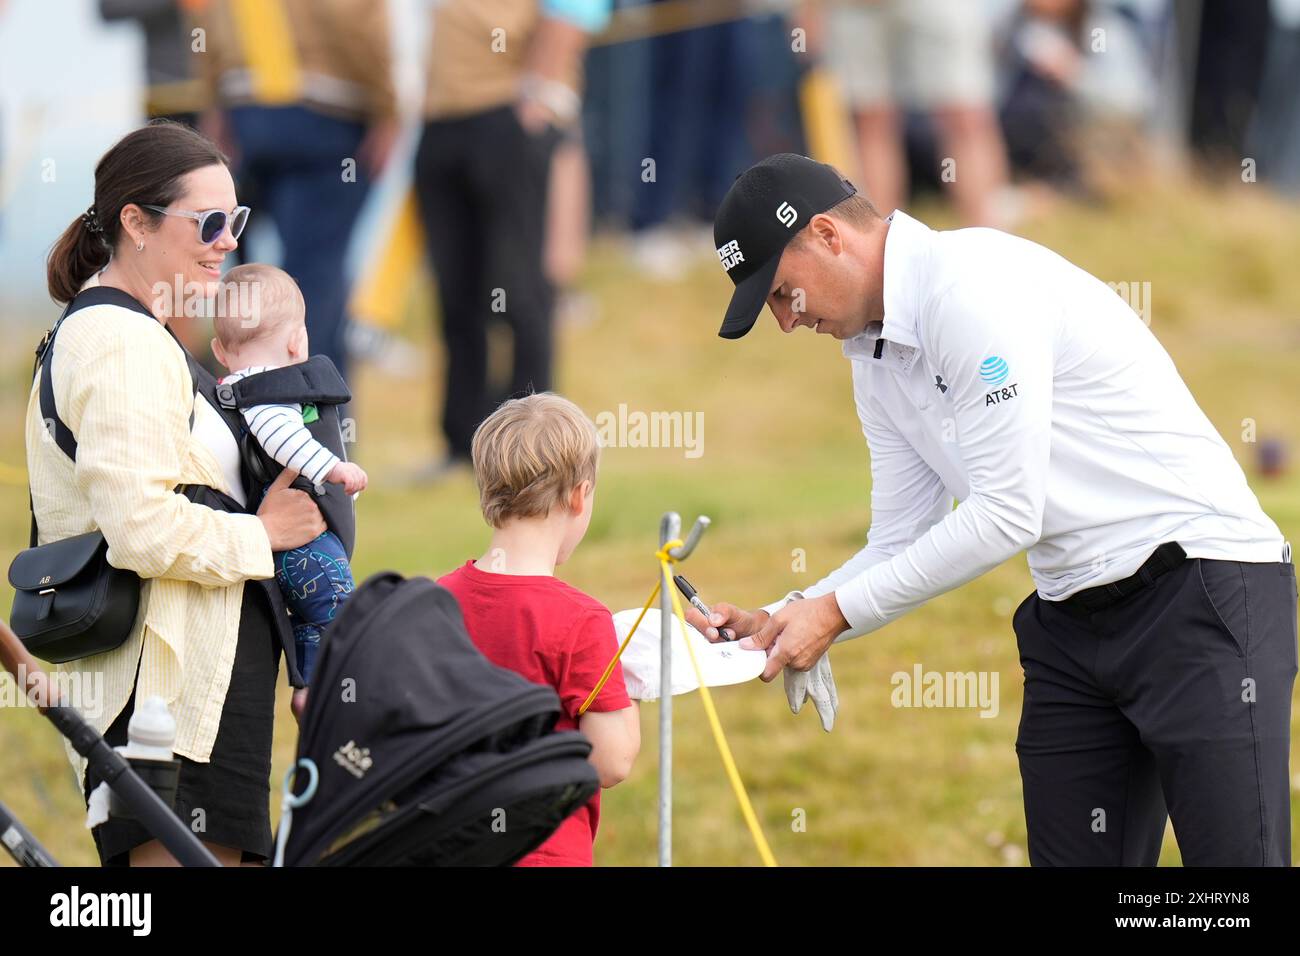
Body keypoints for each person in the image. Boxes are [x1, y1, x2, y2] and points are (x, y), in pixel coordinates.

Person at [692, 153, 1297, 866]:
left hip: (1202, 589)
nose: (785, 322)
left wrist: (832, 616)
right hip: (1072, 621)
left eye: (780, 293)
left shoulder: (968, 286)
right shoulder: (872, 358)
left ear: (828, 235)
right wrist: (784, 617)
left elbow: (1009, 514)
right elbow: (901, 536)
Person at [29, 121, 326, 866]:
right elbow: (141, 529)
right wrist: (264, 534)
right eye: (209, 221)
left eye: (237, 219)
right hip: (168, 702)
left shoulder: (137, 332)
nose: (228, 241)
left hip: (195, 685)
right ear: (136, 222)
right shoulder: (119, 342)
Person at [410, 0, 610, 483]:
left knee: (523, 292)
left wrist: (537, 97)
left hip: (508, 113)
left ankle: (538, 453)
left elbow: (574, 12)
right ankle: (463, 443)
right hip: (443, 118)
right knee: (456, 296)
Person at [438, 392, 639, 866]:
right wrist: (626, 692)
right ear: (579, 495)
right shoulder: (582, 621)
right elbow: (611, 761)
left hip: (442, 845)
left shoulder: (434, 601)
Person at [194, 0, 399, 381]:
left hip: (246, 110)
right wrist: (388, 109)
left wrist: (217, 103)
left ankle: (249, 389)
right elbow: (359, 21)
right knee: (315, 280)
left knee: (248, 268)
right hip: (326, 112)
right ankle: (313, 403)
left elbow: (210, 21)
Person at [210, 263, 368, 719]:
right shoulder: (269, 394)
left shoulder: (239, 388)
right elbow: (284, 438)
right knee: (341, 613)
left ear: (219, 350)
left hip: (284, 547)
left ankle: (307, 686)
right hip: (302, 547)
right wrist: (333, 469)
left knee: (312, 620)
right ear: (299, 342)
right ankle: (336, 696)